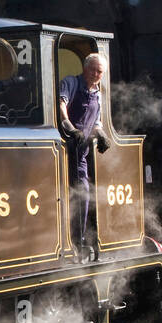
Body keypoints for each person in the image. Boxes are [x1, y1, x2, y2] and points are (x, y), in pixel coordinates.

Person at [58, 51, 111, 260]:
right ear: (85, 68)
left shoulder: (98, 94)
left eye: (100, 72)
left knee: (84, 192)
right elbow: (62, 104)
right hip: (65, 147)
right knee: (78, 192)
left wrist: (102, 135)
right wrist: (70, 127)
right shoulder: (70, 83)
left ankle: (79, 239)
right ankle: (75, 242)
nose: (96, 74)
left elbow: (96, 122)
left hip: (82, 152)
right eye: (93, 70)